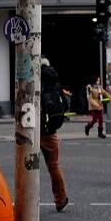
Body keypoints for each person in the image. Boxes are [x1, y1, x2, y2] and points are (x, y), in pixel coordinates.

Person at [40, 58, 70, 212]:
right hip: (50, 131)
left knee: (26, 166)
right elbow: (64, 105)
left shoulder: (34, 79)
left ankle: (27, 200)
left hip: (32, 129)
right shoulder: (54, 82)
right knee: (53, 166)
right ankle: (60, 199)